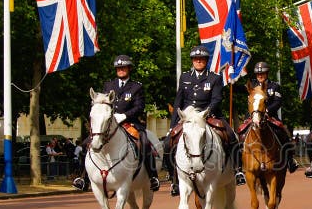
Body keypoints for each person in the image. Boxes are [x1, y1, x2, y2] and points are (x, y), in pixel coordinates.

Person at [167, 46, 246, 196]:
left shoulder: (214, 77)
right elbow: (179, 101)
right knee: (168, 143)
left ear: (206, 61)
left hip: (209, 115)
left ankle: (237, 170)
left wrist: (205, 112)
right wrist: (173, 126)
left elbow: (217, 99)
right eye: (196, 59)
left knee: (231, 135)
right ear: (192, 61)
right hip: (188, 118)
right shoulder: (184, 77)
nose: (198, 61)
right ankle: (174, 179)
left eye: (201, 59)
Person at [103, 54, 160, 191]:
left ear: (129, 69)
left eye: (123, 67)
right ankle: (83, 177)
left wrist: (124, 116)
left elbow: (139, 107)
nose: (121, 70)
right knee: (90, 142)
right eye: (118, 68)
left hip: (130, 123)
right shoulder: (108, 85)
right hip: (110, 124)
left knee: (145, 142)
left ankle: (153, 177)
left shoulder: (136, 87)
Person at [241, 61, 298, 173]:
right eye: (258, 74)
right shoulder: (251, 85)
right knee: (240, 135)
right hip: (252, 116)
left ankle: (290, 160)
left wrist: (267, 111)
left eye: (262, 73)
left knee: (283, 133)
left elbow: (278, 102)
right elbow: (240, 90)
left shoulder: (274, 86)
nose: (260, 76)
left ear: (267, 74)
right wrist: (231, 79)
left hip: (269, 116)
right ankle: (238, 165)